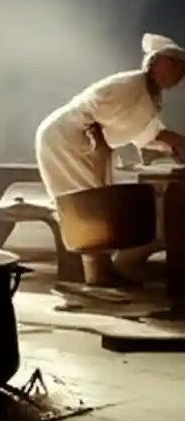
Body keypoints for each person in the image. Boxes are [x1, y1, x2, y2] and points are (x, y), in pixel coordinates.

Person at [36, 33, 185, 285]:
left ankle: (98, 270)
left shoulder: (146, 92)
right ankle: (94, 273)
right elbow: (120, 121)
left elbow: (141, 130)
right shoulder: (130, 85)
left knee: (94, 203)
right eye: (178, 70)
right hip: (68, 139)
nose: (180, 78)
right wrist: (173, 140)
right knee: (84, 202)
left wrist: (171, 144)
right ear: (160, 64)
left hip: (87, 145)